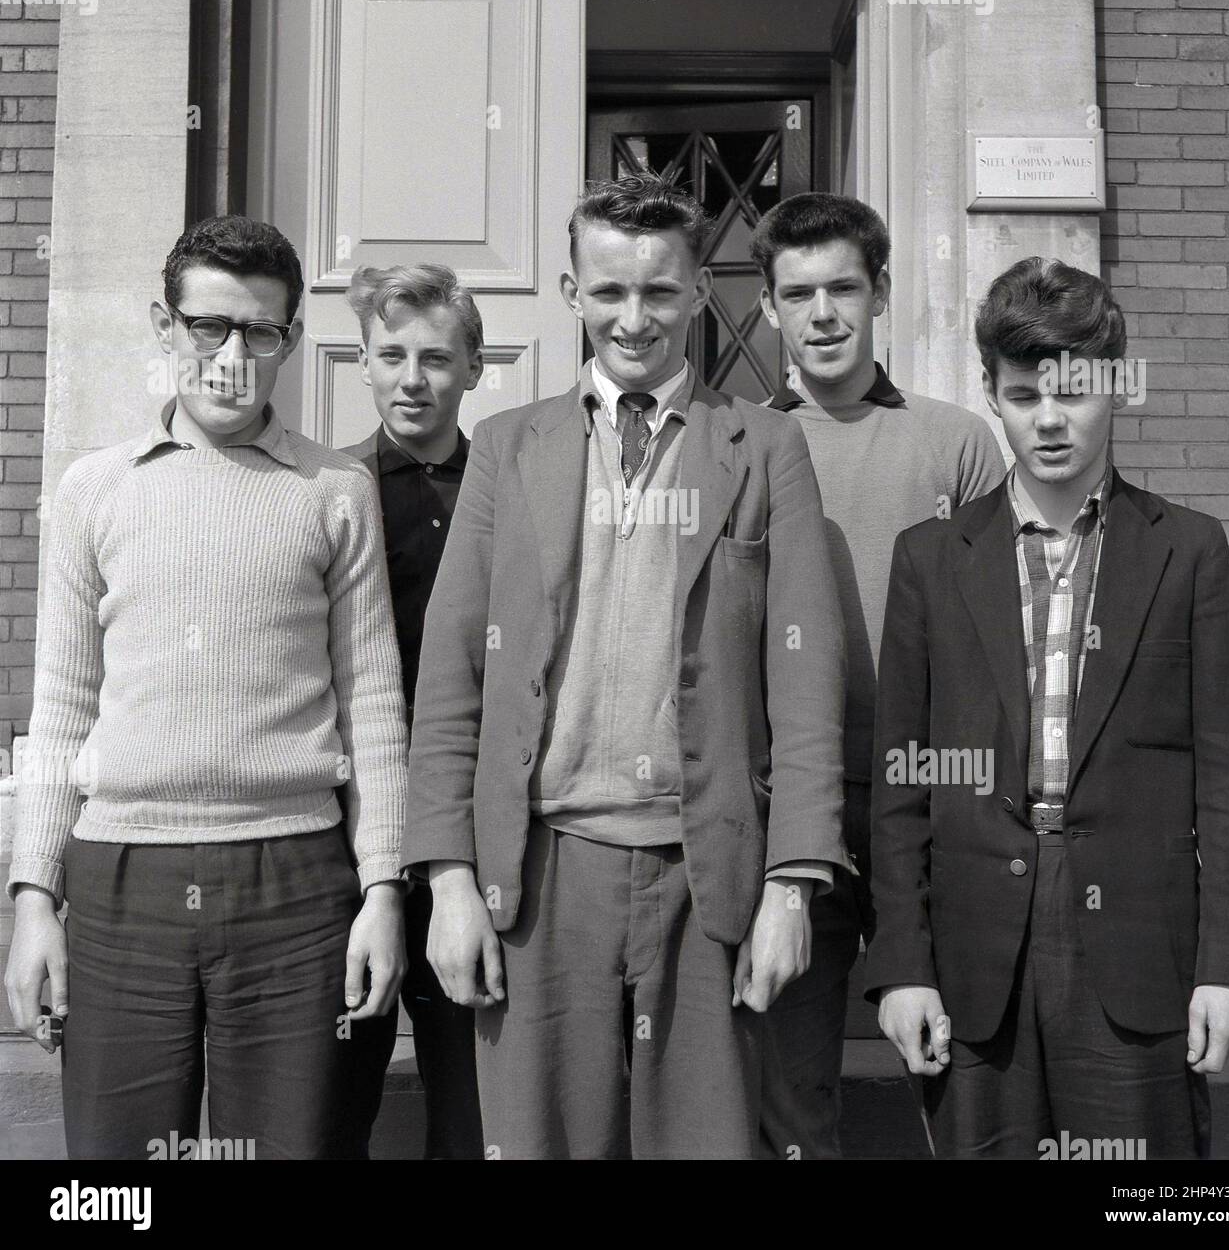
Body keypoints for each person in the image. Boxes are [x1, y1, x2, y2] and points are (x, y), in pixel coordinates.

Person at [402, 172, 849, 1159]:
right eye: (608, 291)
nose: (633, 318)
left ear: (698, 295)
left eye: (657, 291)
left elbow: (806, 688)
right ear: (571, 294)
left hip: (709, 875)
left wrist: (791, 887)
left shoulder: (765, 447)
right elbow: (450, 687)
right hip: (540, 877)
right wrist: (446, 879)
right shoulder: (509, 449)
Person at [3, 215, 408, 1160]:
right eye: (207, 328)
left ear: (292, 341)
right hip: (120, 883)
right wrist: (33, 899)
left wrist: (382, 887)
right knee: (115, 1175)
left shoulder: (336, 490)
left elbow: (375, 703)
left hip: (298, 880)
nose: (231, 357)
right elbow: (60, 709)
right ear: (165, 324)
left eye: (260, 333)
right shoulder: (93, 491)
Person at [866, 256, 1229, 1159]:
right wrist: (901, 965)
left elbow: (1228, 779)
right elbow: (901, 783)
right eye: (1022, 397)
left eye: (1073, 394)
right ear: (993, 395)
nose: (1048, 420)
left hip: (1138, 943)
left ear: (1115, 388)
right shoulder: (931, 559)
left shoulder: (1189, 552)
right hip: (978, 956)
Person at [752, 192, 1005, 1159]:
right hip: (793, 804)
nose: (823, 314)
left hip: (932, 801)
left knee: (956, 1063)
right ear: (771, 307)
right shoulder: (740, 443)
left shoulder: (957, 442)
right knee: (790, 1087)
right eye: (799, 293)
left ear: (881, 293)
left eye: (843, 289)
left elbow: (996, 640)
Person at [337, 263, 485, 1160]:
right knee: (331, 1096)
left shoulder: (511, 494)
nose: (412, 378)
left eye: (436, 356)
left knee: (469, 1112)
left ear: (475, 365)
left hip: (470, 837)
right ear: (362, 363)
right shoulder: (327, 490)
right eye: (390, 355)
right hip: (349, 837)